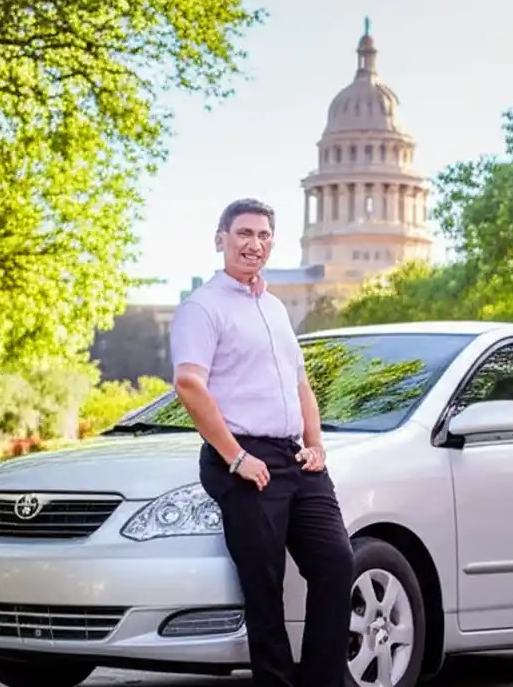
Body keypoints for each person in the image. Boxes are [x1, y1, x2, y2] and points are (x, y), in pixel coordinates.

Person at [169, 198, 355, 687]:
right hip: (245, 459)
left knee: (336, 564)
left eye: (264, 236)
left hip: (295, 457)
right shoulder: (202, 307)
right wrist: (236, 458)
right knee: (265, 586)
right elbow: (189, 384)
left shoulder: (273, 307)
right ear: (221, 239)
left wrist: (315, 444)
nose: (255, 245)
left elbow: (300, 384)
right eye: (245, 234)